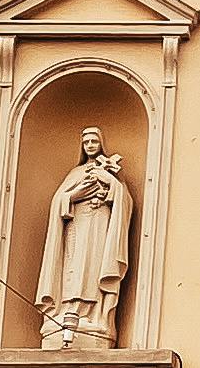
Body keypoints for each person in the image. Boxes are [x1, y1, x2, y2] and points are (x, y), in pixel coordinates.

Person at [35, 127, 132, 351]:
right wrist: (75, 195)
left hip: (99, 226)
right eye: (86, 141)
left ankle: (95, 316)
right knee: (73, 269)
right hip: (77, 227)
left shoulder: (111, 171)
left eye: (94, 141)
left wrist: (110, 184)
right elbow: (59, 200)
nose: (89, 145)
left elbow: (125, 201)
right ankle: (65, 313)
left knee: (93, 270)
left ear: (101, 143)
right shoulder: (76, 173)